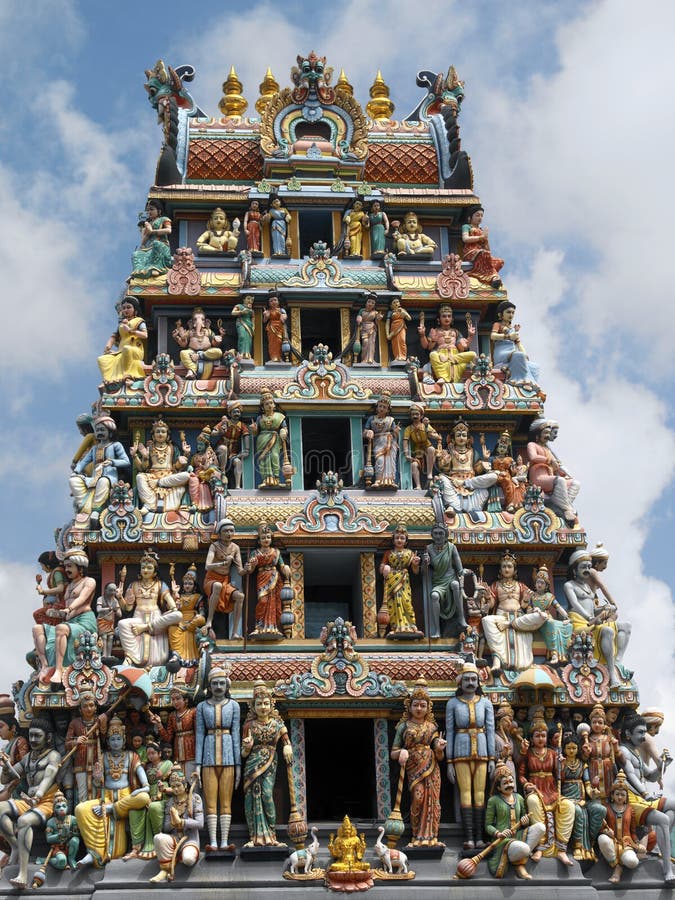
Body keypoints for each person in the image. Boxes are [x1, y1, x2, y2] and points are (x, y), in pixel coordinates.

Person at [75, 716, 151, 868]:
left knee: (143, 798)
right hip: (106, 797)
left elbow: (144, 782)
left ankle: (111, 810)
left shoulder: (131, 756)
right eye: (112, 739)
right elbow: (98, 784)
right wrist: (97, 778)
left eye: (118, 739)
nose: (115, 742)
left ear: (124, 740)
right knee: (80, 809)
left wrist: (145, 786)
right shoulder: (103, 757)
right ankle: (94, 853)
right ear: (108, 742)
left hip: (125, 799)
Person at [0, 718, 62, 889]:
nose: (33, 740)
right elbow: (6, 778)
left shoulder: (53, 755)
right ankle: (15, 846)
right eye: (31, 736)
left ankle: (22, 873)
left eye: (37, 736)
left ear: (48, 738)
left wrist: (38, 796)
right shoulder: (28, 758)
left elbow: (48, 777)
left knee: (24, 821)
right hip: (29, 801)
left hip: (47, 802)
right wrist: (5, 766)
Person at [619, 713, 675, 885]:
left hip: (644, 798)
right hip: (633, 800)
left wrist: (662, 765)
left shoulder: (634, 751)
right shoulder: (622, 751)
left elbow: (650, 776)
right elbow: (630, 775)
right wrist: (645, 793)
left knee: (673, 806)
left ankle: (661, 842)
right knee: (663, 819)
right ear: (628, 734)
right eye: (640, 733)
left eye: (645, 732)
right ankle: (668, 869)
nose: (644, 737)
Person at [564, 550, 631, 688]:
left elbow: (592, 608)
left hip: (592, 620)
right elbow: (576, 605)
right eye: (583, 567)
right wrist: (590, 617)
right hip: (579, 622)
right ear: (574, 570)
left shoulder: (587, 587)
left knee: (626, 626)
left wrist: (605, 609)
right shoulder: (569, 585)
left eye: (589, 567)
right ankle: (612, 674)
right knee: (607, 631)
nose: (587, 570)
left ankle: (617, 661)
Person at [445, 664, 496, 849]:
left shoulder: (486, 703)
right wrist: (449, 761)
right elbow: (449, 731)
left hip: (482, 749)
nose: (470, 683)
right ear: (460, 682)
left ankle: (480, 837)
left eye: (473, 679)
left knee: (480, 794)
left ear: (478, 681)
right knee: (465, 793)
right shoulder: (453, 703)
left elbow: (491, 731)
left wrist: (492, 758)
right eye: (466, 679)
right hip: (460, 750)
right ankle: (468, 838)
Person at [32, 546, 98, 686]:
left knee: (61, 628)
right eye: (66, 566)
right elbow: (63, 605)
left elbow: (82, 599)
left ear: (80, 567)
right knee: (37, 629)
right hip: (69, 621)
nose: (66, 570)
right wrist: (54, 612)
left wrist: (69, 608)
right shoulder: (68, 586)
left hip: (83, 622)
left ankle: (59, 669)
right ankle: (45, 666)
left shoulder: (89, 581)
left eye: (70, 566)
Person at [391, 682, 446, 846]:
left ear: (428, 707)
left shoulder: (432, 727)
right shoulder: (403, 726)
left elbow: (439, 755)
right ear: (410, 707)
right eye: (416, 705)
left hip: (431, 767)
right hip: (414, 767)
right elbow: (393, 751)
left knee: (433, 802)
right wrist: (401, 752)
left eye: (423, 705)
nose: (419, 708)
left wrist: (440, 748)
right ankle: (417, 835)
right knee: (418, 798)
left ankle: (432, 836)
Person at [194, 668, 241, 852]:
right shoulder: (202, 707)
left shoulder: (234, 706)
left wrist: (238, 765)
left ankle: (224, 840)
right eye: (215, 683)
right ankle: (213, 840)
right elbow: (199, 735)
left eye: (222, 683)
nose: (218, 687)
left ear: (227, 685)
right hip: (208, 757)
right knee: (210, 801)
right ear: (209, 686)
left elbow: (236, 735)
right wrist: (198, 765)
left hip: (229, 756)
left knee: (226, 801)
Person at [241, 681, 292, 846]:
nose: (263, 707)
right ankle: (254, 836)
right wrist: (247, 748)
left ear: (271, 705)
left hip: (270, 761)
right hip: (252, 764)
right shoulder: (249, 725)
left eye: (266, 703)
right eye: (259, 704)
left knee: (267, 795)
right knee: (251, 797)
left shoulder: (277, 724)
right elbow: (243, 753)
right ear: (253, 706)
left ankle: (271, 834)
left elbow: (287, 741)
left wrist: (287, 748)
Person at [518, 718, 575, 865]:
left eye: (543, 735)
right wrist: (526, 785)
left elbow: (560, 778)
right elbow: (521, 775)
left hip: (551, 790)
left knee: (568, 806)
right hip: (536, 789)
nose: (540, 738)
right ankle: (540, 848)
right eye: (537, 735)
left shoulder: (552, 753)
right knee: (532, 801)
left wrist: (561, 766)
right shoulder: (528, 754)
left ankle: (561, 849)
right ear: (531, 738)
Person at [482, 552, 547, 673]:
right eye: (504, 566)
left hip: (519, 618)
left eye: (509, 566)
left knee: (543, 616)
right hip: (501, 616)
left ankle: (511, 624)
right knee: (486, 620)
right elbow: (491, 605)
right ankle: (497, 660)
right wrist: (487, 597)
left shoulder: (520, 585)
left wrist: (526, 600)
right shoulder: (496, 585)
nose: (506, 569)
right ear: (500, 569)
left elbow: (525, 606)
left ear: (514, 569)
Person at [117, 549, 182, 667]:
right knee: (122, 624)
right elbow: (127, 608)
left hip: (155, 619)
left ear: (155, 572)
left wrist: (174, 603)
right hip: (138, 618)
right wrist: (120, 597)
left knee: (178, 615)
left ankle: (146, 627)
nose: (145, 570)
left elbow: (170, 603)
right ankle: (132, 657)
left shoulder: (160, 584)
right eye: (143, 567)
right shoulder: (134, 585)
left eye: (149, 568)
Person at [485, 765, 545, 879]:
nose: (509, 785)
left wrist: (525, 821)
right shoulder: (493, 801)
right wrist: (498, 833)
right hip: (504, 840)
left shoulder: (519, 798)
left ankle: (518, 860)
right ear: (498, 787)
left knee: (541, 828)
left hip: (519, 835)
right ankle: (519, 865)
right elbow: (488, 825)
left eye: (511, 781)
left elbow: (524, 819)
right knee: (524, 849)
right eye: (505, 783)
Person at [69, 415, 130, 525]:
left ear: (110, 432)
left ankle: (96, 510)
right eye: (97, 430)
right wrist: (76, 472)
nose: (99, 432)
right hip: (93, 478)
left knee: (103, 481)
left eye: (102, 430)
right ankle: (85, 508)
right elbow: (83, 462)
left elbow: (126, 461)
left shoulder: (116, 445)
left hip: (109, 478)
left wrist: (112, 462)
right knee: (73, 480)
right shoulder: (94, 448)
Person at [435, 420, 499, 520]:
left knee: (493, 478)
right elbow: (444, 469)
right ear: (453, 438)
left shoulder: (472, 452)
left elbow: (477, 470)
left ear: (468, 438)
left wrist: (485, 459)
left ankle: (466, 485)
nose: (461, 438)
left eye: (464, 435)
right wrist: (444, 460)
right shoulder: (449, 451)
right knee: (442, 479)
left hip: (471, 484)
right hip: (454, 483)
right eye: (458, 435)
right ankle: (454, 507)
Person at [149, 766, 203, 882]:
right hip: (174, 838)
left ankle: (179, 857)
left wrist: (182, 822)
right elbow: (166, 827)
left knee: (188, 859)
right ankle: (164, 869)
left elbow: (200, 823)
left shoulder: (195, 799)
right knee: (158, 838)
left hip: (189, 839)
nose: (176, 789)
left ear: (185, 785)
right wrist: (174, 822)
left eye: (178, 785)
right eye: (173, 787)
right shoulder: (170, 803)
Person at [132, 417, 191, 514]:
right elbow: (143, 468)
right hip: (152, 476)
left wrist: (184, 456)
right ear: (153, 435)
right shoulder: (150, 448)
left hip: (168, 477)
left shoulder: (172, 448)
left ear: (167, 435)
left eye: (163, 432)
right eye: (157, 431)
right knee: (139, 477)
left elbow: (176, 468)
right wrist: (142, 456)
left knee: (187, 476)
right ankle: (149, 504)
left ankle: (159, 483)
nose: (160, 434)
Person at [560, 735, 605, 861]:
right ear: (564, 749)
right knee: (579, 812)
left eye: (574, 748)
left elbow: (587, 784)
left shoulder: (582, 765)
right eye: (568, 748)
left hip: (582, 799)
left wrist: (593, 792)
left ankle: (590, 843)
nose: (571, 751)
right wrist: (561, 767)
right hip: (567, 799)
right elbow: (559, 781)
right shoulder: (561, 764)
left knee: (600, 810)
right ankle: (578, 846)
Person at [527, 419, 580, 525]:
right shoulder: (532, 445)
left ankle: (558, 503)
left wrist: (560, 469)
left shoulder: (547, 450)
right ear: (538, 435)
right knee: (560, 481)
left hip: (549, 477)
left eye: (548, 433)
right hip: (538, 477)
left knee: (575, 483)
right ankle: (567, 509)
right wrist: (549, 460)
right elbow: (533, 457)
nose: (547, 435)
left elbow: (556, 468)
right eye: (545, 433)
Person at [126, 741, 173, 859]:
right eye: (149, 754)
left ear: (160, 753)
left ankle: (159, 842)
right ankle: (136, 847)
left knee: (153, 807)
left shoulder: (167, 763)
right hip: (148, 793)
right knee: (135, 811)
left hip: (163, 793)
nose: (151, 756)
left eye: (153, 753)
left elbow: (162, 776)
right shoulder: (146, 766)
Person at [597, 771, 644, 884]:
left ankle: (619, 866)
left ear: (626, 797)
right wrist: (605, 831)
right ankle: (616, 867)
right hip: (611, 842)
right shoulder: (606, 808)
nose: (620, 797)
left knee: (632, 862)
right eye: (617, 794)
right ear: (612, 795)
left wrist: (638, 845)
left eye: (623, 795)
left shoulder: (630, 809)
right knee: (602, 839)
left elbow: (633, 831)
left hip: (626, 844)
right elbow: (599, 828)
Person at [244, 524, 291, 637]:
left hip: (275, 577)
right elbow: (250, 570)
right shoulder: (255, 553)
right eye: (263, 537)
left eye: (268, 537)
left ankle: (273, 627)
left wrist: (286, 568)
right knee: (263, 601)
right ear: (259, 541)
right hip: (262, 577)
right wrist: (249, 567)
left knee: (275, 602)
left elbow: (282, 565)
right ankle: (259, 627)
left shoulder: (276, 552)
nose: (266, 540)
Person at [423, 522, 468, 637]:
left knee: (455, 585)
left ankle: (461, 618)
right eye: (436, 534)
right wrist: (426, 562)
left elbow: (458, 564)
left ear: (446, 535)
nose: (438, 536)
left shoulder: (451, 547)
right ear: (432, 535)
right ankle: (437, 630)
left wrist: (462, 572)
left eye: (441, 534)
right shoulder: (428, 548)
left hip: (450, 578)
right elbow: (424, 570)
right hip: (439, 581)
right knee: (434, 596)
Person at [203, 518, 245, 639]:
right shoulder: (214, 546)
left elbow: (241, 571)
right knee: (217, 586)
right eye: (226, 531)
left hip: (225, 581)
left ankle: (235, 632)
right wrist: (222, 563)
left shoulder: (235, 548)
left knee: (240, 596)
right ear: (220, 534)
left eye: (231, 531)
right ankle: (209, 620)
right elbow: (207, 566)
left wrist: (249, 567)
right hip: (212, 579)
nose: (229, 534)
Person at [65, 692, 108, 805]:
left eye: (91, 705)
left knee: (97, 789)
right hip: (80, 763)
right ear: (80, 709)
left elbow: (105, 740)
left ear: (95, 707)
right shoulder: (75, 723)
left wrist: (103, 725)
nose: (88, 708)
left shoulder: (98, 721)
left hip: (96, 761)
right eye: (85, 706)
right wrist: (76, 741)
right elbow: (67, 744)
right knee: (82, 793)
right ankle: (83, 816)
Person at [97, 296, 148, 387]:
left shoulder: (139, 321)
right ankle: (109, 380)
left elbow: (145, 335)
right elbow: (114, 336)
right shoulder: (121, 324)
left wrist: (130, 331)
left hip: (135, 349)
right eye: (124, 308)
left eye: (129, 307)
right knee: (102, 359)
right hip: (121, 351)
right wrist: (108, 346)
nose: (126, 310)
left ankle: (127, 376)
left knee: (127, 349)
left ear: (135, 309)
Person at [418, 304, 476, 383]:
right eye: (444, 316)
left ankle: (451, 360)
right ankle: (443, 377)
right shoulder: (436, 331)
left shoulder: (455, 332)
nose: (447, 318)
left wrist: (470, 336)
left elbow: (463, 348)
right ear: (439, 319)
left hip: (454, 356)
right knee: (433, 355)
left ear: (452, 319)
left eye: (449, 316)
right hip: (441, 355)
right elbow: (428, 347)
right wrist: (422, 335)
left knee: (473, 354)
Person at [380, 525, 421, 636]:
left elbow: (415, 571)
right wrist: (385, 568)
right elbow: (381, 567)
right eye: (397, 538)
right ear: (393, 540)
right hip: (391, 580)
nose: (399, 540)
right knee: (393, 604)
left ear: (406, 541)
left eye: (402, 538)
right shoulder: (388, 553)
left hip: (404, 580)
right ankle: (396, 627)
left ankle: (411, 625)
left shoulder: (410, 553)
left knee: (406, 602)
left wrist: (415, 564)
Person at [528, 566, 572, 665]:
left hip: (546, 618)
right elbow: (527, 609)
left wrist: (567, 617)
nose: (539, 585)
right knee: (551, 623)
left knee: (568, 626)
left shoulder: (549, 596)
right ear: (535, 584)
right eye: (538, 582)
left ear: (546, 586)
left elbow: (558, 607)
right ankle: (554, 654)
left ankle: (563, 655)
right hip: (536, 619)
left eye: (542, 583)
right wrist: (534, 610)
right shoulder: (531, 596)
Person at [150, 688, 198, 780]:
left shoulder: (193, 712)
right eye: (173, 699)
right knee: (178, 780)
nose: (175, 702)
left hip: (192, 753)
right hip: (177, 754)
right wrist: (159, 724)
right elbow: (168, 738)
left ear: (186, 700)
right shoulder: (172, 715)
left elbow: (198, 734)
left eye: (178, 698)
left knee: (192, 781)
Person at [491, 301, 540, 388]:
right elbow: (493, 336)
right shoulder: (497, 325)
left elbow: (518, 344)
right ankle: (518, 381)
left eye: (513, 313)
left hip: (512, 351)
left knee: (534, 366)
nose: (511, 315)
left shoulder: (512, 328)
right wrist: (508, 336)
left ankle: (531, 383)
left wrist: (525, 355)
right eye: (508, 312)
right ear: (500, 314)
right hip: (502, 352)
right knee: (518, 356)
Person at [172, 307, 225, 379]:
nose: (198, 321)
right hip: (192, 352)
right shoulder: (190, 332)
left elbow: (214, 343)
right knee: (183, 353)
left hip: (206, 352)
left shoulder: (208, 331)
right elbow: (183, 344)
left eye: (202, 319)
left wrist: (217, 339)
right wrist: (176, 337)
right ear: (192, 322)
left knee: (218, 352)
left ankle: (200, 355)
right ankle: (192, 370)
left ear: (205, 322)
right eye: (195, 319)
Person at [250, 392, 288, 487]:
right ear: (262, 407)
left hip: (275, 439)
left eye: (271, 403)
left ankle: (276, 479)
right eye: (266, 404)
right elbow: (255, 432)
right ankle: (265, 480)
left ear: (274, 405)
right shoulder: (259, 418)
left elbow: (284, 427)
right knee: (263, 459)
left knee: (275, 457)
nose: (269, 405)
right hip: (262, 439)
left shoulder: (279, 416)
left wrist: (283, 431)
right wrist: (254, 429)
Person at [168, 565, 206, 661]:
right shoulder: (179, 596)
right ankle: (176, 654)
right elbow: (174, 609)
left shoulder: (198, 596)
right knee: (172, 628)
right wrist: (175, 595)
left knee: (200, 618)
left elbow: (202, 611)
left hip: (193, 621)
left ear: (194, 585)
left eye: (190, 583)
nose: (187, 586)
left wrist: (197, 618)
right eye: (185, 583)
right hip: (180, 620)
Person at [210, 400, 251, 490]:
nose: (236, 413)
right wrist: (220, 432)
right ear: (230, 413)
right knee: (224, 449)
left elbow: (246, 435)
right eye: (234, 412)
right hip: (221, 447)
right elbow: (212, 433)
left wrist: (247, 450)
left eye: (238, 412)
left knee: (238, 462)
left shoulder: (241, 425)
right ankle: (222, 472)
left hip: (233, 452)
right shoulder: (225, 422)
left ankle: (237, 485)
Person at [461, 205, 503, 288]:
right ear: (470, 217)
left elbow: (487, 249)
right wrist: (480, 237)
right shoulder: (467, 227)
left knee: (499, 261)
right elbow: (465, 239)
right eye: (477, 215)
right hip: (470, 251)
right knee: (483, 253)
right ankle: (492, 278)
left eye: (481, 215)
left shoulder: (481, 230)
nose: (480, 217)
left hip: (481, 252)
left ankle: (492, 277)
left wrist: (485, 240)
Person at [363, 394, 399, 488]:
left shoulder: (390, 420)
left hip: (389, 443)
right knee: (379, 461)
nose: (382, 409)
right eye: (380, 406)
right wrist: (368, 432)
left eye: (384, 407)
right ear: (377, 407)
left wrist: (395, 432)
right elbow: (364, 432)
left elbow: (395, 433)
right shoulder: (371, 419)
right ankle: (378, 480)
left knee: (390, 462)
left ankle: (390, 480)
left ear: (388, 410)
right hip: (377, 442)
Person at [131, 200, 173, 277]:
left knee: (156, 244)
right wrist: (146, 230)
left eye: (152, 209)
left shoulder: (164, 219)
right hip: (149, 248)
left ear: (159, 211)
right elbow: (144, 239)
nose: (149, 212)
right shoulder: (148, 223)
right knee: (136, 254)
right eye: (148, 210)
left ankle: (156, 268)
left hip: (161, 246)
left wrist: (153, 231)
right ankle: (139, 271)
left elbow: (168, 230)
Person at [402, 403, 440, 490]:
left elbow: (436, 436)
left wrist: (427, 428)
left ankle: (429, 475)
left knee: (431, 449)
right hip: (418, 451)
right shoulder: (409, 429)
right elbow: (405, 441)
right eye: (413, 414)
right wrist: (406, 454)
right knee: (413, 465)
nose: (415, 416)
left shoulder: (424, 425)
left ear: (421, 415)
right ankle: (418, 485)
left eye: (417, 414)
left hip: (427, 447)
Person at [44, 790, 80, 871]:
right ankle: (48, 860)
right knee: (61, 862)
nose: (61, 809)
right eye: (58, 807)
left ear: (67, 807)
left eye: (64, 806)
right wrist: (60, 835)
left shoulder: (73, 819)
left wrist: (70, 833)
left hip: (69, 846)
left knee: (75, 840)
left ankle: (71, 859)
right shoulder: (51, 822)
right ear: (54, 809)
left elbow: (77, 834)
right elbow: (48, 839)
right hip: (58, 849)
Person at [33, 551, 66, 626]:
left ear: (48, 565)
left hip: (63, 601)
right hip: (57, 601)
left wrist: (44, 592)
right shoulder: (54, 573)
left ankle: (49, 630)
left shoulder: (57, 572)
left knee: (37, 614)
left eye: (42, 565)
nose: (42, 568)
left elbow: (61, 588)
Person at [355, 293, 383, 365]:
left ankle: (371, 359)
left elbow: (377, 320)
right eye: (369, 302)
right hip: (364, 328)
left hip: (372, 329)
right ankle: (364, 359)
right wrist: (359, 319)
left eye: (373, 303)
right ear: (366, 303)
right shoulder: (362, 311)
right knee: (365, 342)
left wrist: (379, 318)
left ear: (374, 305)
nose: (370, 304)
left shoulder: (375, 312)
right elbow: (359, 317)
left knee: (371, 344)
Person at [96, 581, 122, 657]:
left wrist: (116, 610)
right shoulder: (101, 599)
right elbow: (98, 610)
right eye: (110, 590)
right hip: (102, 621)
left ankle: (109, 655)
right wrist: (110, 608)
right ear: (105, 590)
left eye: (114, 590)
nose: (112, 592)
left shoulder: (115, 601)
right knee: (104, 637)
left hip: (110, 622)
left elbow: (120, 614)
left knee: (110, 637)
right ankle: (104, 654)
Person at [263, 290, 288, 362]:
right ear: (269, 303)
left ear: (278, 301)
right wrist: (265, 315)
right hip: (271, 328)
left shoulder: (281, 310)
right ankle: (273, 357)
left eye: (275, 300)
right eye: (271, 301)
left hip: (280, 327)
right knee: (272, 343)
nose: (273, 302)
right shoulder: (268, 311)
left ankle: (279, 357)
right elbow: (264, 321)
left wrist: (283, 316)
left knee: (279, 342)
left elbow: (284, 319)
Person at [385, 297, 412, 362]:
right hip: (394, 329)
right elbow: (387, 324)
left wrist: (403, 313)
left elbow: (409, 318)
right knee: (395, 343)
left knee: (402, 341)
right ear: (391, 306)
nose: (396, 304)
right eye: (394, 303)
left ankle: (403, 356)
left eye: (397, 302)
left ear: (399, 303)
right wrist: (387, 334)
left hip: (401, 327)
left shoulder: (402, 310)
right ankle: (397, 357)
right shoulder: (390, 312)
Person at [231, 295, 255, 359]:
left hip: (249, 324)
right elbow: (233, 313)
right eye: (248, 298)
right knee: (242, 336)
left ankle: (247, 353)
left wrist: (253, 326)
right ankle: (241, 353)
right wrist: (241, 312)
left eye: (251, 299)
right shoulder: (239, 306)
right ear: (243, 299)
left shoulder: (251, 310)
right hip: (241, 322)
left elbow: (253, 318)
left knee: (248, 339)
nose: (250, 301)